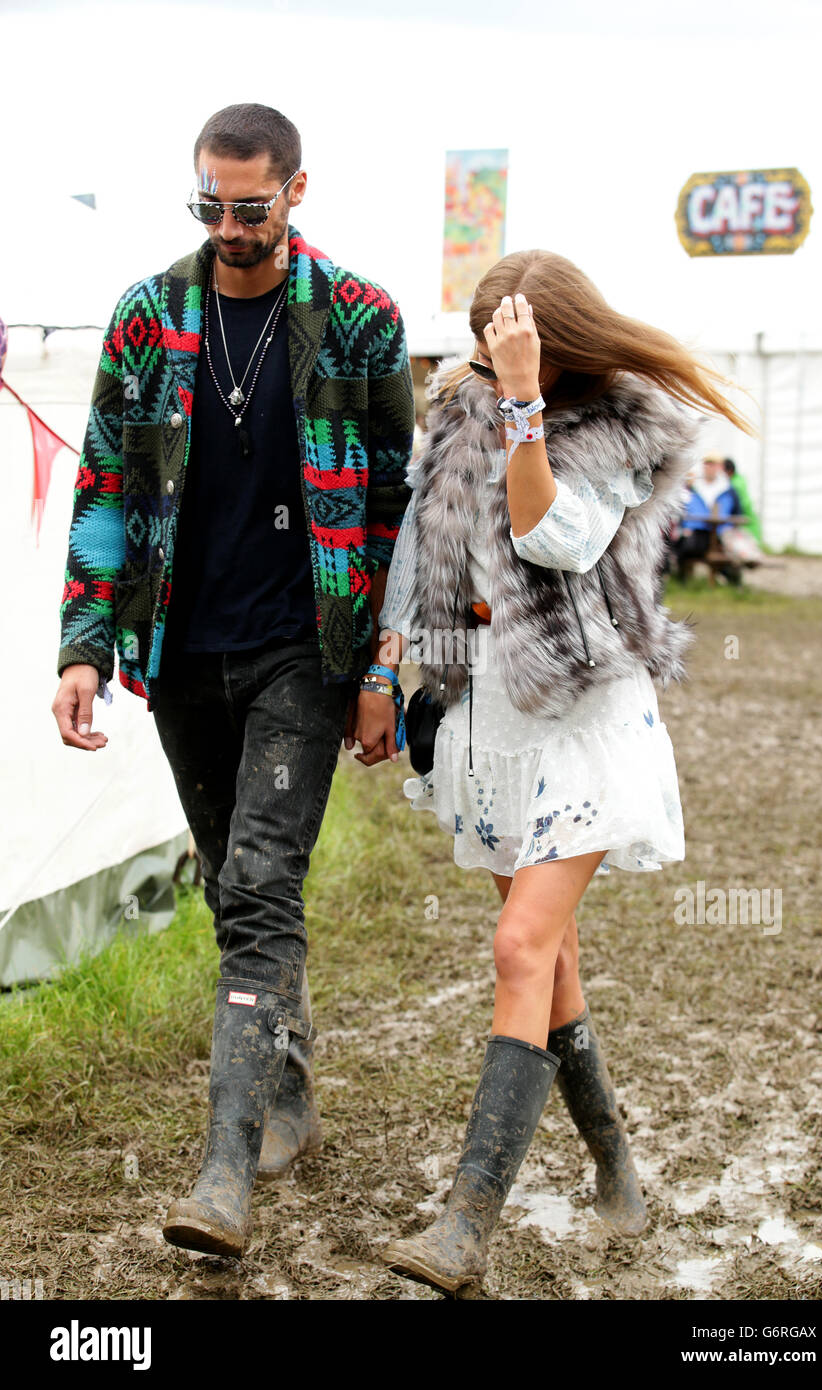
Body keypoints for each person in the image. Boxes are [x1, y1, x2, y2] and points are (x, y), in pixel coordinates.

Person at [51, 103, 415, 1257]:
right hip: (179, 652)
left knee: (259, 887)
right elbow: (105, 489)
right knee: (228, 881)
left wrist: (384, 670)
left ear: (295, 193)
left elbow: (402, 511)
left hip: (305, 652)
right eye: (208, 202)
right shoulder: (150, 316)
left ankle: (225, 1173)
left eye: (248, 206)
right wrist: (84, 645)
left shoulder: (358, 320)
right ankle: (291, 1096)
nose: (227, 224)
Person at [372, 250, 750, 1294]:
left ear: (556, 339)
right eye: (487, 349)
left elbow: (552, 538)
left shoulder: (619, 424)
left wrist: (528, 407)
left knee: (517, 943)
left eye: (515, 348)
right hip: (486, 712)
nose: (494, 365)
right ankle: (614, 1161)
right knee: (552, 963)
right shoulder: (458, 408)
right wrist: (382, 662)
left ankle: (463, 1228)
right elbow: (420, 539)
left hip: (584, 717)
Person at [724, 456, 763, 544]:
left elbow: (737, 502)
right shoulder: (740, 478)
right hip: (748, 511)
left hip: (744, 512)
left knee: (746, 537)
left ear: (728, 471)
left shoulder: (733, 483)